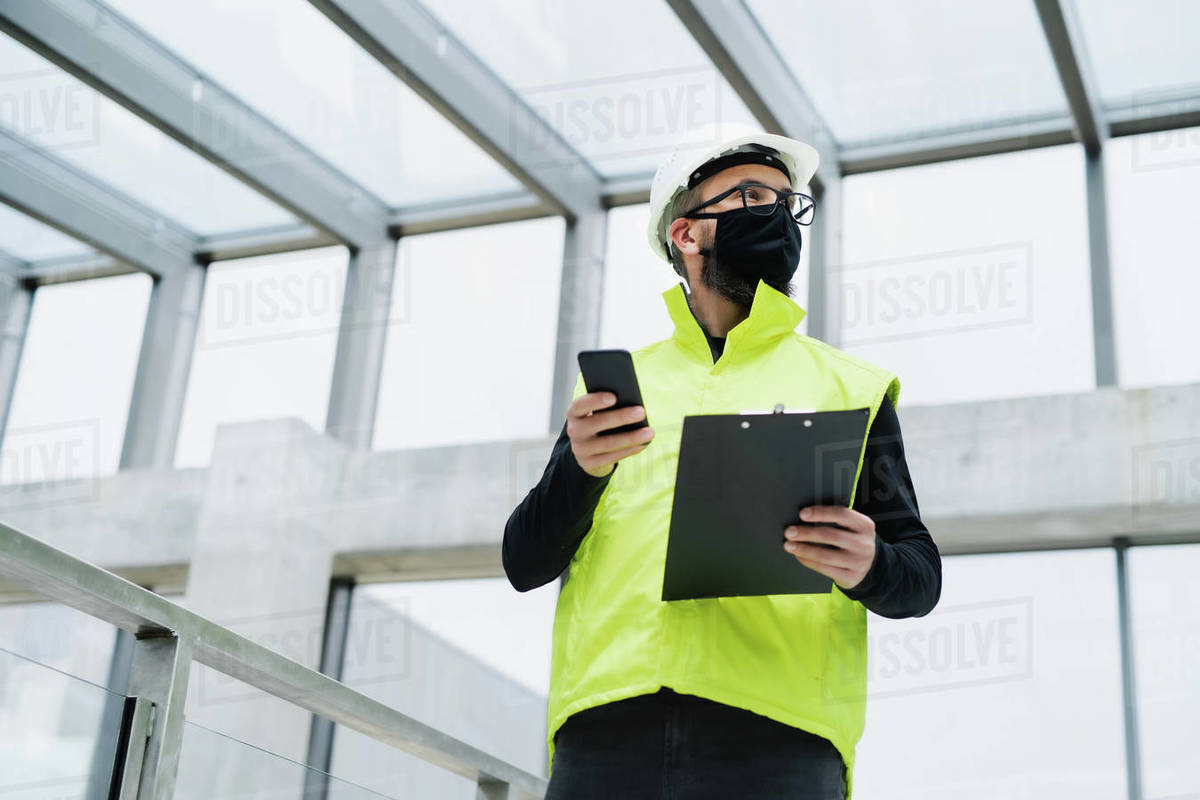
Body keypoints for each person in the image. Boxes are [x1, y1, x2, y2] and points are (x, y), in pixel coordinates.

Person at [503, 132, 942, 799]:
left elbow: (919, 575)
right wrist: (581, 471)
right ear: (687, 232)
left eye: (785, 201)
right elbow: (524, 561)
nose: (776, 213)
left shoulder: (852, 388)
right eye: (750, 196)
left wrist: (871, 564)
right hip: (605, 738)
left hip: (778, 743)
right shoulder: (619, 390)